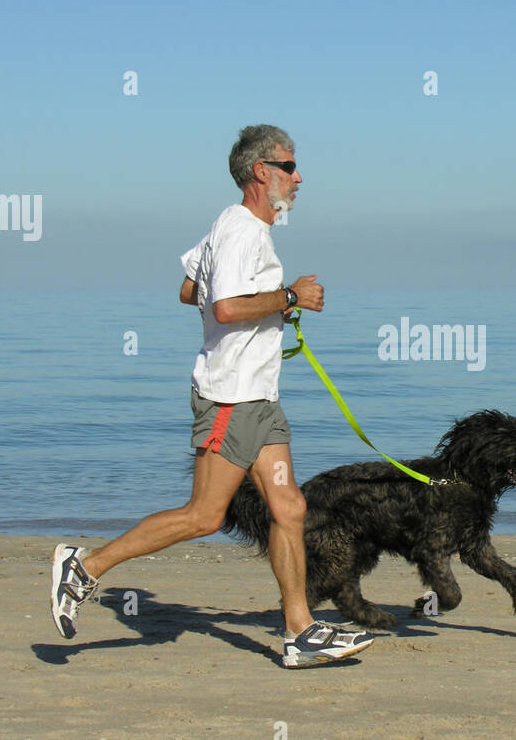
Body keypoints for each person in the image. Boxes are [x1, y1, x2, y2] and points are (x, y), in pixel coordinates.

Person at [49, 124, 375, 668]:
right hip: (230, 400)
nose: (299, 179)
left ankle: (300, 633)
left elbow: (188, 291)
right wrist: (289, 295)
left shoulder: (235, 230)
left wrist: (271, 304)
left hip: (260, 401)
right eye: (289, 167)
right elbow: (223, 308)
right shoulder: (241, 232)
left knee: (288, 507)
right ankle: (84, 567)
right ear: (260, 172)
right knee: (203, 516)